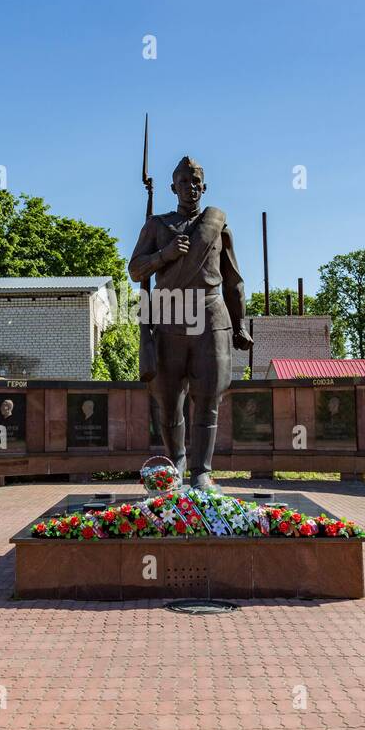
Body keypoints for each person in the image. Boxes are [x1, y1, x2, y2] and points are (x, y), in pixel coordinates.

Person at [129, 156, 251, 488]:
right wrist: (164, 255)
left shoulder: (218, 226)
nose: (191, 187)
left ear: (204, 187)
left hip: (211, 315)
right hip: (169, 314)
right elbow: (136, 270)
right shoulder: (156, 226)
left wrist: (240, 324)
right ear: (173, 188)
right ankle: (176, 467)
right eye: (184, 181)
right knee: (169, 401)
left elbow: (233, 281)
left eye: (196, 181)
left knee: (207, 397)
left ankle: (202, 472)